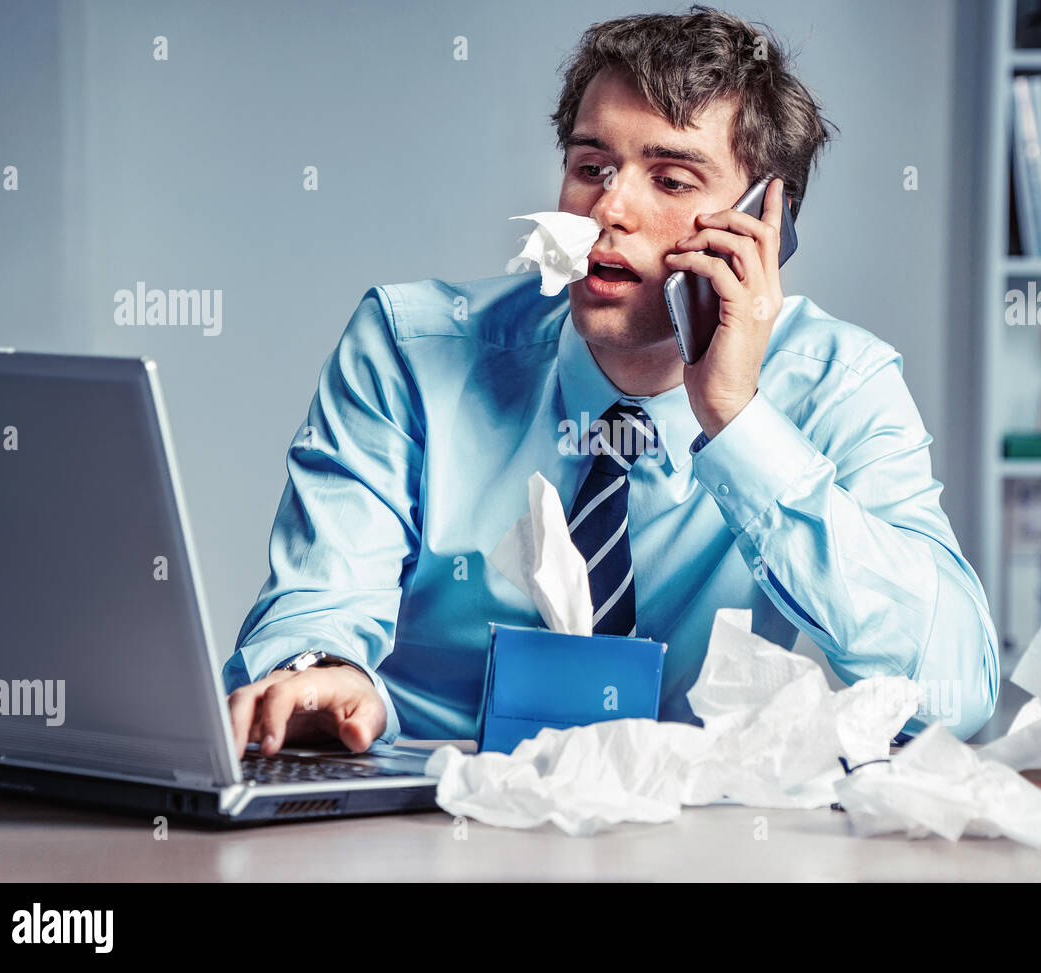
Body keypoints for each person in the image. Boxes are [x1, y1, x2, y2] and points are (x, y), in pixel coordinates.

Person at [223, 6, 999, 758]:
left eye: (670, 179)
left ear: (764, 222)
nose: (608, 208)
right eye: (591, 166)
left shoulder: (837, 383)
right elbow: (317, 601)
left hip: (690, 840)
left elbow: (953, 687)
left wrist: (737, 420)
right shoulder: (412, 348)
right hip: (428, 802)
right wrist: (316, 673)